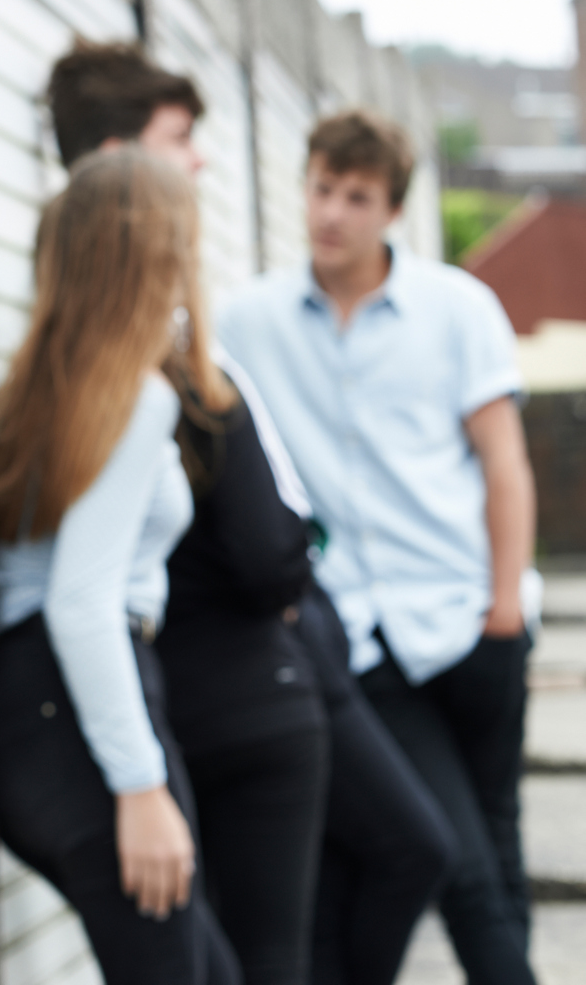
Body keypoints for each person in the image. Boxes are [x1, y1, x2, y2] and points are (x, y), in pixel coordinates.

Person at [47, 42, 450, 985]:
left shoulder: (168, 333)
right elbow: (106, 583)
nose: (202, 163)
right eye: (180, 140)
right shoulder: (137, 360)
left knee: (357, 884)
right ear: (117, 160)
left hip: (285, 652)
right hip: (241, 671)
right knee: (291, 933)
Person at [221, 109, 537, 985]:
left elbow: (503, 465)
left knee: (498, 860)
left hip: (473, 621)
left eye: (355, 197)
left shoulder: (457, 309)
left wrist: (503, 612)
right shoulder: (247, 322)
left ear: (391, 208)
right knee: (458, 867)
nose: (331, 213)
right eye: (321, 189)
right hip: (361, 640)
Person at [0, 147, 240, 985]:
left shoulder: (33, 393)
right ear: (156, 255)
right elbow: (80, 602)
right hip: (83, 716)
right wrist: (140, 786)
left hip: (37, 714)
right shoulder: (136, 395)